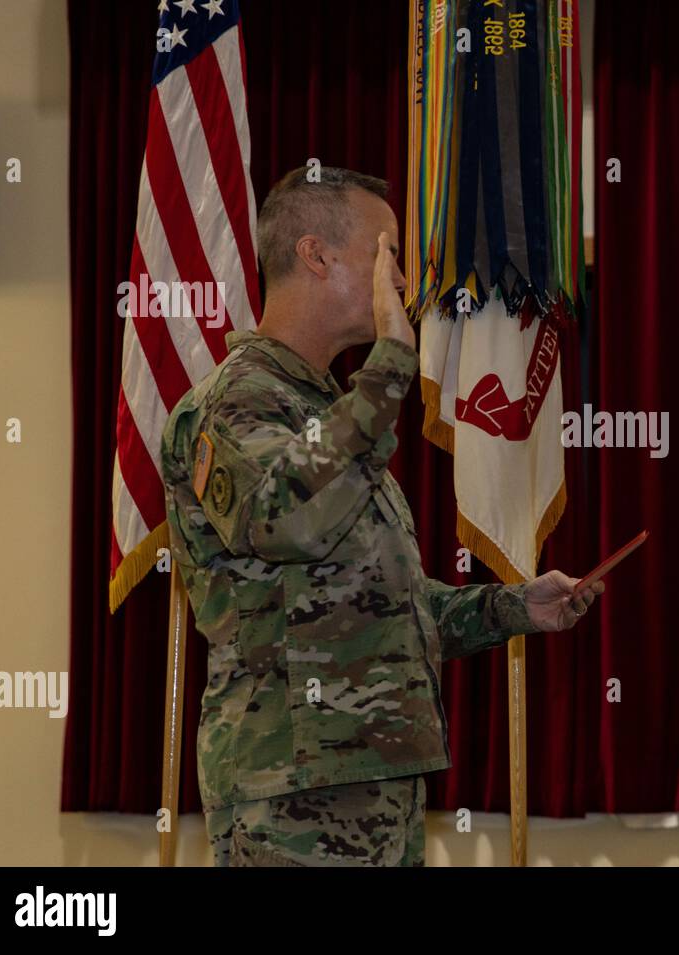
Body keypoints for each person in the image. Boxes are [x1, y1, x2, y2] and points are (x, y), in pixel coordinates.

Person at [161, 166, 603, 867]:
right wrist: (391, 363)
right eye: (387, 254)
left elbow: (382, 608)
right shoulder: (239, 403)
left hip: (372, 784)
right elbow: (286, 521)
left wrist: (517, 607)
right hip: (292, 792)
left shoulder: (327, 410)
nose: (401, 281)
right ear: (317, 254)